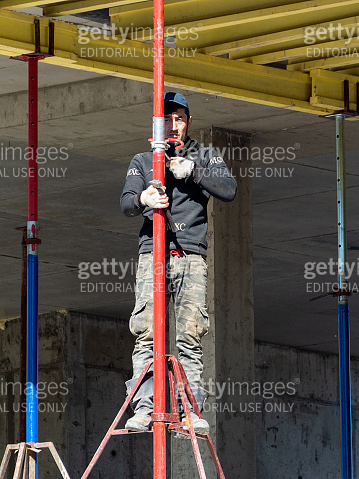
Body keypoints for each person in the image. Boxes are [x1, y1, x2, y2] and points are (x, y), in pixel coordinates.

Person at [120, 92, 237, 434]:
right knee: (146, 333)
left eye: (180, 118)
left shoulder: (203, 156)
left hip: (190, 256)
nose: (174, 125)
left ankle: (190, 410)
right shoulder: (143, 160)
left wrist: (194, 172)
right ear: (156, 123)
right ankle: (144, 407)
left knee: (190, 335)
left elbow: (228, 189)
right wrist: (144, 198)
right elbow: (127, 203)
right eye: (167, 118)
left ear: (188, 123)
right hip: (152, 255)